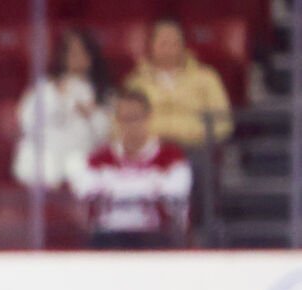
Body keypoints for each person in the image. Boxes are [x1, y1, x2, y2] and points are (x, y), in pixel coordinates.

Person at [68, 88, 191, 249]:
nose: (130, 125)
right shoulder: (99, 159)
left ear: (148, 118)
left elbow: (176, 191)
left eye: (135, 118)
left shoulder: (172, 157)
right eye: (124, 119)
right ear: (117, 121)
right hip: (108, 238)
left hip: (156, 238)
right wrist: (151, 184)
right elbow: (85, 190)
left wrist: (113, 184)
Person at [12, 27, 112, 190]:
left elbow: (107, 135)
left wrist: (91, 114)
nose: (76, 57)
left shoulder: (104, 93)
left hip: (83, 156)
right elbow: (27, 122)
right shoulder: (46, 87)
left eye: (82, 51)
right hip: (46, 155)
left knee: (80, 167)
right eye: (71, 52)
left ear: (91, 56)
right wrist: (55, 98)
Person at [123, 17, 233, 152]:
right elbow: (123, 124)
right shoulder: (136, 83)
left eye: (174, 43)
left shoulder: (207, 78)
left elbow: (223, 123)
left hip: (198, 149)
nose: (169, 48)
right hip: (149, 152)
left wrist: (185, 134)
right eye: (163, 43)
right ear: (151, 46)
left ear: (184, 46)